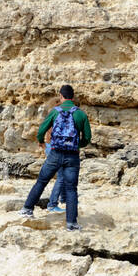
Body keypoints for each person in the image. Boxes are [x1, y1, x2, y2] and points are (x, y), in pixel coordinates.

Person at [20, 84, 92, 230]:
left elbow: (42, 129)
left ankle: (27, 209)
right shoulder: (81, 114)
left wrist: (41, 140)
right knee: (71, 189)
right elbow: (87, 138)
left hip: (55, 153)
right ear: (73, 97)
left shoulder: (55, 111)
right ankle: (71, 224)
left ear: (61, 96)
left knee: (42, 181)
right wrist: (77, 145)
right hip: (72, 156)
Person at [41, 95, 64, 212]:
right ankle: (52, 204)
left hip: (50, 147)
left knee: (63, 173)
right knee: (62, 175)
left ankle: (63, 199)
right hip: (54, 148)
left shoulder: (52, 114)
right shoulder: (57, 114)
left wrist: (44, 144)